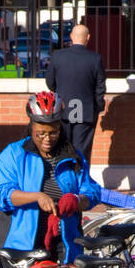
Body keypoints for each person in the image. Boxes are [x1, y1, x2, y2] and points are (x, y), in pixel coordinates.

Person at [0, 90, 101, 268]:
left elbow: (92, 191)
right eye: (40, 133)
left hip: (65, 248)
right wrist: (36, 197)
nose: (47, 139)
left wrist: (77, 200)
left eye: (53, 133)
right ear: (31, 126)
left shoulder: (73, 156)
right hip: (24, 250)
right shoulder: (14, 154)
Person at [45, 23, 105, 165]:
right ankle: (80, 181)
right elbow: (100, 87)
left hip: (63, 109)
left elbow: (49, 83)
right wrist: (98, 106)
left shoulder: (58, 56)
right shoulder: (95, 58)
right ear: (88, 38)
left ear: (71, 36)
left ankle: (62, 181)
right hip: (86, 111)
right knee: (82, 150)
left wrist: (60, 94)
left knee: (61, 147)